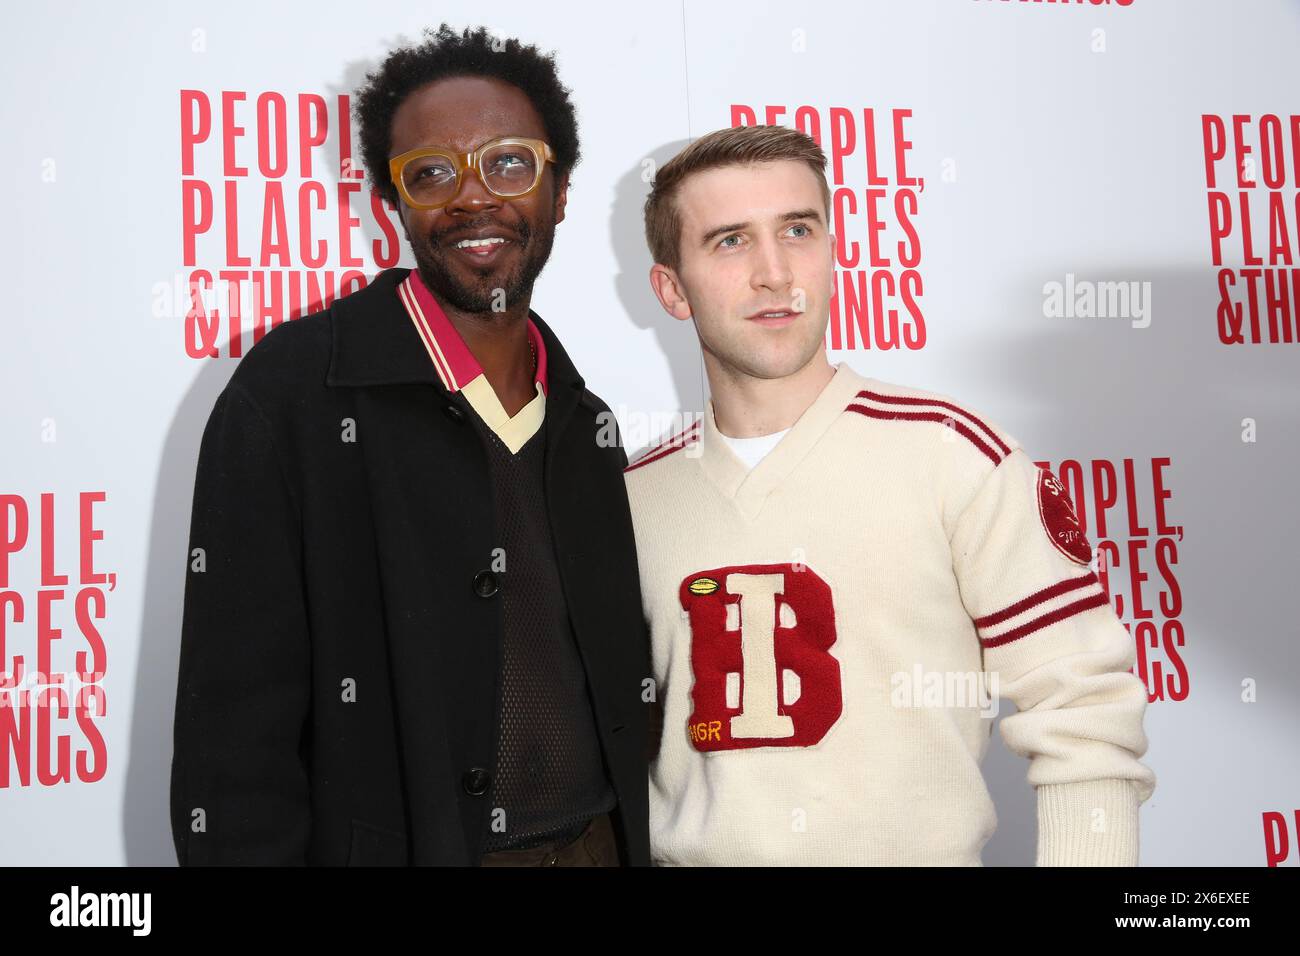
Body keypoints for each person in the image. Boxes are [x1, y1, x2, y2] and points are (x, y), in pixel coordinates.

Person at [170, 23, 651, 867]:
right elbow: (233, 747)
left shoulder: (588, 423)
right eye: (431, 174)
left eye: (508, 162)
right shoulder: (292, 397)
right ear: (392, 203)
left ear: (560, 188)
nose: (473, 198)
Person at [625, 124, 1156, 866]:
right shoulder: (626, 500)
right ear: (672, 289)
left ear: (834, 251)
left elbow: (1084, 711)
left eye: (798, 230)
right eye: (730, 241)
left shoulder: (954, 453)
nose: (775, 273)